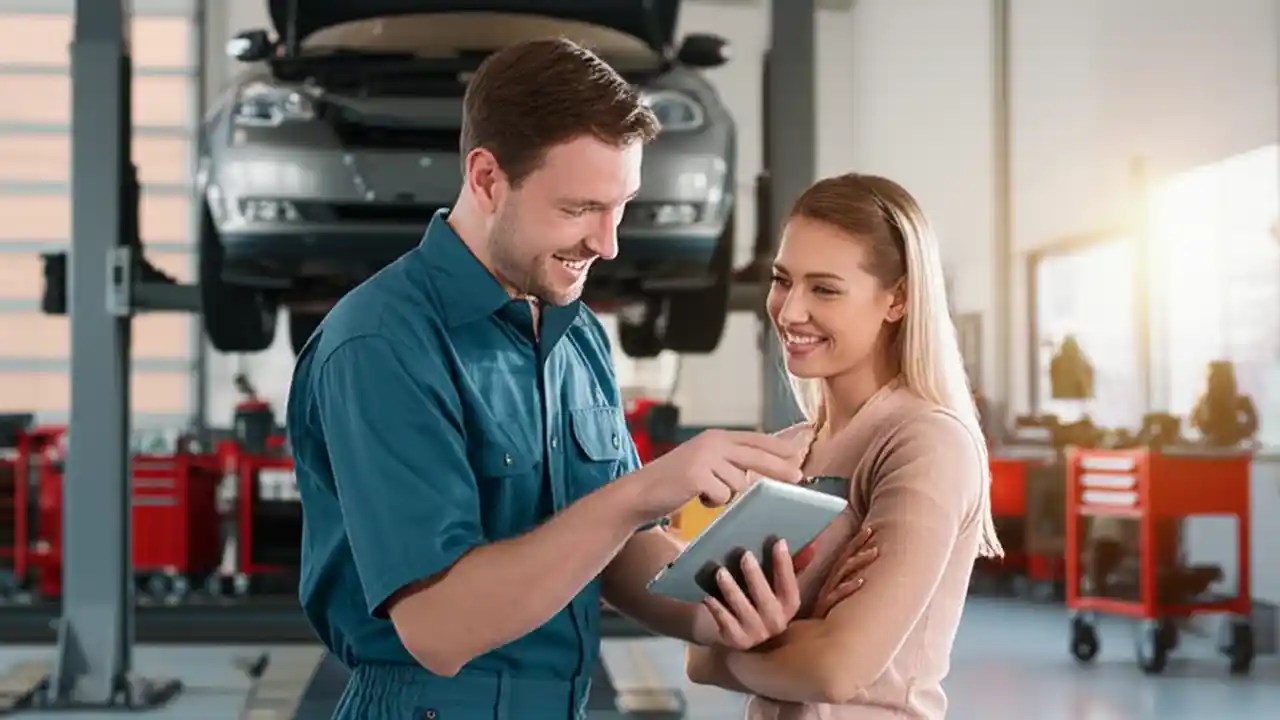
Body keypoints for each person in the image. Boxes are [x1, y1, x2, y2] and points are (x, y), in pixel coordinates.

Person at [285, 39, 870, 720]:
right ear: (486, 179)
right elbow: (440, 630)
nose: (608, 242)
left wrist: (718, 609)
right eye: (579, 209)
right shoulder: (382, 345)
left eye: (619, 206)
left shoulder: (575, 333)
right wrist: (644, 489)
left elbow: (616, 553)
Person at [686, 173, 1004, 719]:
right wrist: (796, 640)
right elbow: (697, 655)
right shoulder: (786, 453)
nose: (789, 312)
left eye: (824, 289)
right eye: (782, 280)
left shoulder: (924, 442)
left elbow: (836, 669)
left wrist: (740, 650)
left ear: (897, 299)